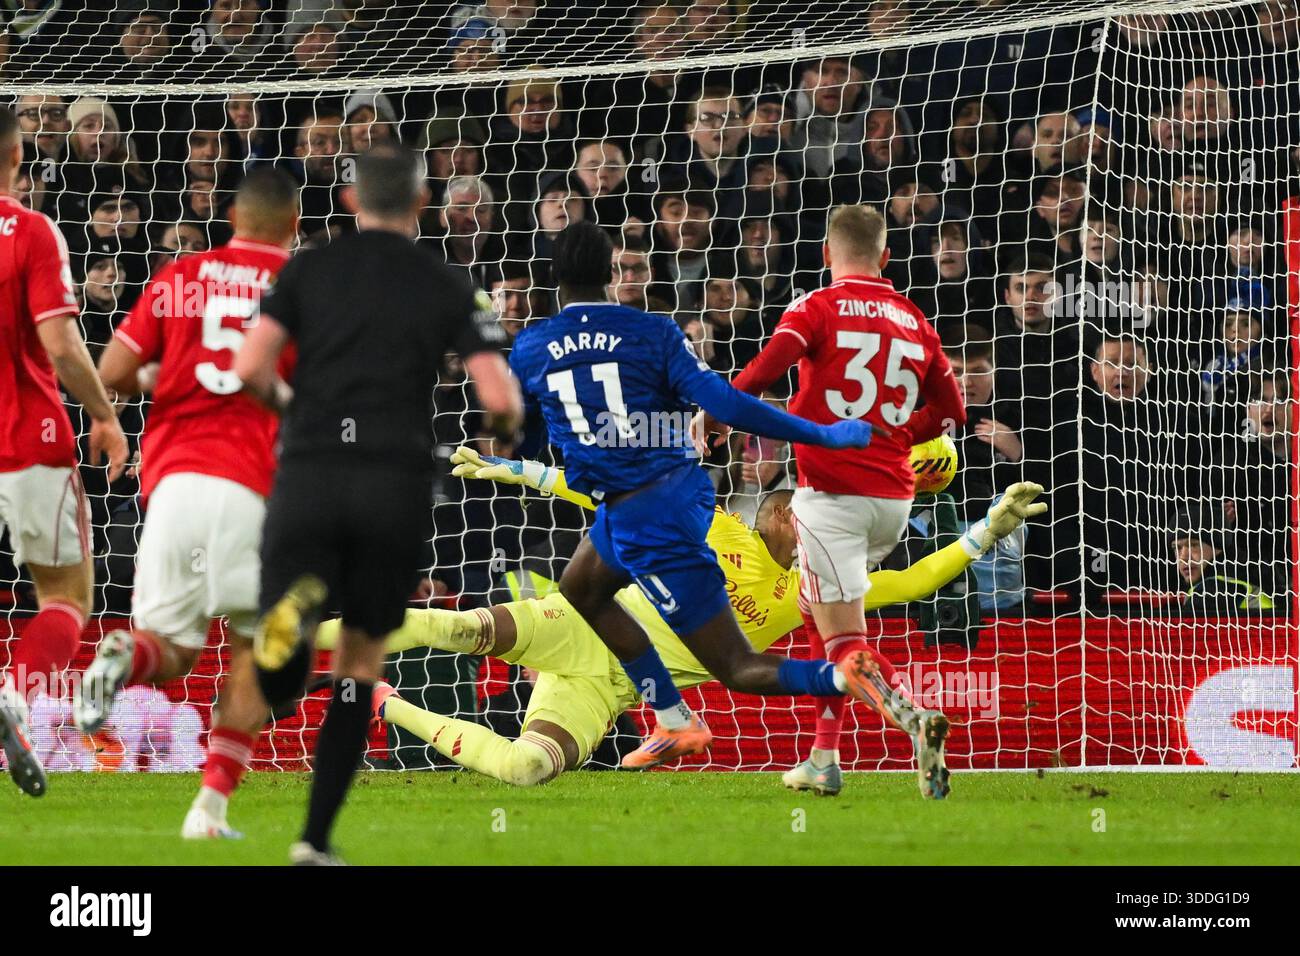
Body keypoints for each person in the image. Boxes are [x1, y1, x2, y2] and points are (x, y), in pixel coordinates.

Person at [314, 447, 1045, 795]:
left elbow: (914, 579)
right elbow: (593, 491)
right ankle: (297, 633)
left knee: (527, 768)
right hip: (580, 624)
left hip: (607, 691)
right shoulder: (715, 522)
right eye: (809, 518)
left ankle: (383, 702)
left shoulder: (813, 589)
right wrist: (510, 470)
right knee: (464, 627)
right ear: (786, 515)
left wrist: (985, 530)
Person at [508, 219, 887, 777]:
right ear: (612, 271)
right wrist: (824, 433)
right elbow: (729, 406)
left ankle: (838, 676)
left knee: (737, 667)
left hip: (648, 515)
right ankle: (672, 718)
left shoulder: (531, 347)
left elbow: (522, 426)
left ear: (552, 276)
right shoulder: (654, 332)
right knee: (580, 589)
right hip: (666, 493)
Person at [233, 143, 521, 865]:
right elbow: (498, 397)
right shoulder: (448, 283)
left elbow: (248, 367)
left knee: (286, 652)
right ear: (423, 203)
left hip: (309, 471)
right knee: (360, 663)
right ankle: (314, 840)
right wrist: (503, 435)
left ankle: (291, 620)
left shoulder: (307, 268)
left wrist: (292, 409)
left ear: (349, 201)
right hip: (393, 483)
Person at [693, 204, 967, 799]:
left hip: (830, 501)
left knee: (843, 645)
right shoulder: (916, 319)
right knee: (826, 627)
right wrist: (892, 434)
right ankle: (822, 758)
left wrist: (715, 415)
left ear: (825, 254)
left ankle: (913, 718)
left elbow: (763, 372)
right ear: (887, 257)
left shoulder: (815, 307)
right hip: (891, 505)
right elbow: (951, 414)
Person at [72, 168, 302, 841]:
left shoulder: (180, 276)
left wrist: (165, 374)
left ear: (231, 214)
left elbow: (111, 374)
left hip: (171, 486)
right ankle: (209, 809)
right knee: (257, 651)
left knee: (170, 649)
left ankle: (120, 657)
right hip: (254, 488)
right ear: (293, 225)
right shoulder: (302, 287)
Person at [0, 106, 128, 797]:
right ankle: (14, 696)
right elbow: (59, 345)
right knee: (66, 597)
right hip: (26, 438)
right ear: (19, 158)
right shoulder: (30, 231)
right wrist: (105, 416)